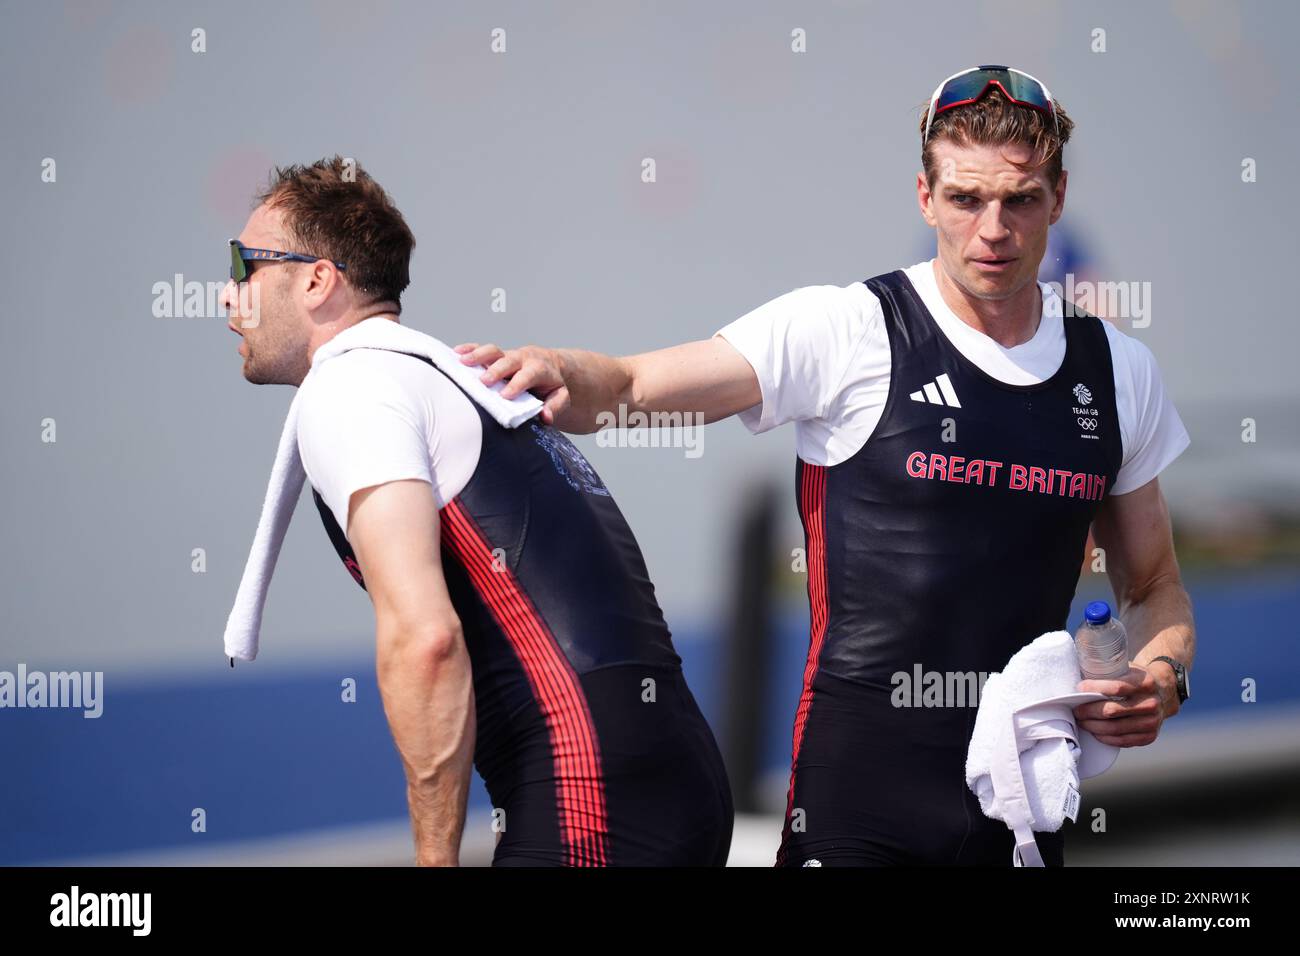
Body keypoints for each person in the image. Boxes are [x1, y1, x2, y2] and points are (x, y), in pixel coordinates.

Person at [455, 67, 1196, 866]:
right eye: (964, 199)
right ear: (924, 196)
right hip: (854, 809)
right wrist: (554, 368)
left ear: (1055, 198)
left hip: (1020, 812)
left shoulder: (1119, 372)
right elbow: (636, 385)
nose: (992, 228)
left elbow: (1154, 587)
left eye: (1018, 200)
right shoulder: (848, 330)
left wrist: (1160, 676)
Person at [221, 156, 732, 866]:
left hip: (585, 796)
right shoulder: (456, 385)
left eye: (245, 264)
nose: (226, 295)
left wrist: (434, 860)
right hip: (678, 778)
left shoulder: (353, 387)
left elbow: (425, 640)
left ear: (315, 279)